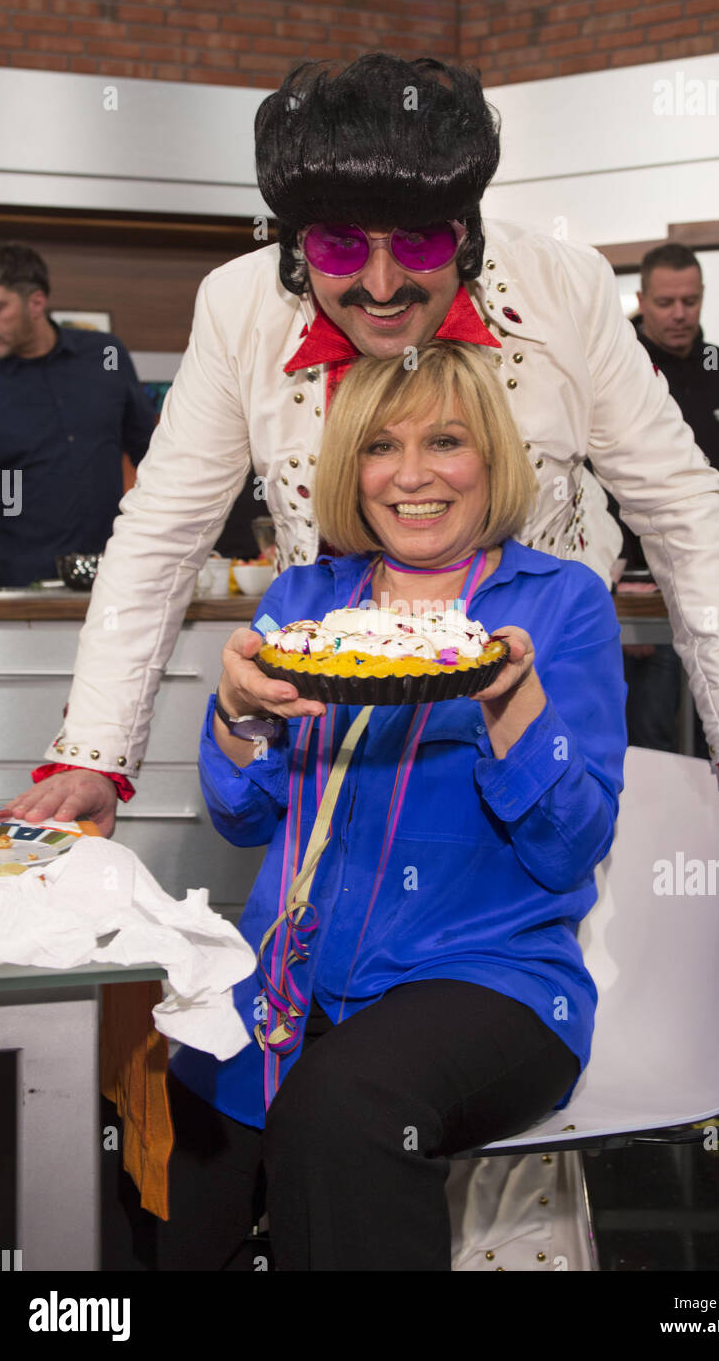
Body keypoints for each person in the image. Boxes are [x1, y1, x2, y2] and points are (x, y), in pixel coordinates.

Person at [6, 54, 719, 851]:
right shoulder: (238, 305)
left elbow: (678, 503)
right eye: (339, 249)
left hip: (538, 697)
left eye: (422, 244)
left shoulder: (565, 286)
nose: (384, 285)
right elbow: (161, 530)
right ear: (296, 244)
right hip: (334, 714)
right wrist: (92, 755)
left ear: (466, 232)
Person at [106, 340, 627, 1271]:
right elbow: (243, 819)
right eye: (382, 448)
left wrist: (514, 707)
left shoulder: (558, 605)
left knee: (342, 1106)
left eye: (448, 442)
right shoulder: (308, 601)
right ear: (351, 470)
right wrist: (235, 713)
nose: (413, 475)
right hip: (290, 976)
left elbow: (569, 848)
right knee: (152, 1131)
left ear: (493, 460)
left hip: (490, 980)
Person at [615, 243, 719, 755]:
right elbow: (603, 490)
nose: (680, 314)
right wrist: (623, 611)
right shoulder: (624, 373)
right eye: (665, 302)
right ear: (642, 298)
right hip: (649, 593)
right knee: (655, 734)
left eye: (690, 300)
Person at [0, 243, 156, 586]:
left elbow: (151, 454)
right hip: (18, 578)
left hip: (111, 572)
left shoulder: (105, 354)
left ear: (36, 302)